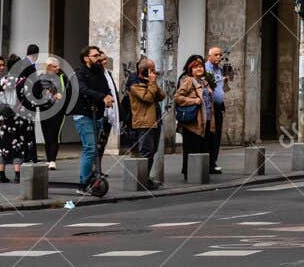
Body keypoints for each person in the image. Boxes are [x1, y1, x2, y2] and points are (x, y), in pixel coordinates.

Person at [71, 45, 113, 195]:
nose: (99, 58)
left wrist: (108, 97)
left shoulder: (100, 71)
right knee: (90, 148)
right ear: (86, 58)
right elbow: (83, 90)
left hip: (98, 114)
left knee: (95, 149)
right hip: (83, 115)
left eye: (99, 56)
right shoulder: (79, 73)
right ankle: (83, 184)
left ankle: (92, 180)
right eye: (95, 56)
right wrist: (102, 97)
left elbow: (106, 89)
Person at [123, 58, 166, 186]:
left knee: (152, 151)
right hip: (144, 121)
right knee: (146, 151)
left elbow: (162, 95)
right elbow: (147, 98)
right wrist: (152, 83)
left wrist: (153, 83)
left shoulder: (149, 82)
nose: (154, 72)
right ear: (144, 71)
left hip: (154, 120)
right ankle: (141, 180)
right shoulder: (134, 84)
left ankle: (145, 179)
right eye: (152, 70)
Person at [173, 55, 214, 179]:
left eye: (201, 66)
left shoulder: (205, 82)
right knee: (192, 148)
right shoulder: (188, 80)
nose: (199, 69)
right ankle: (190, 173)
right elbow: (177, 97)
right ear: (190, 69)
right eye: (195, 67)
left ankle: (199, 173)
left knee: (203, 147)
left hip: (205, 120)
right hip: (192, 122)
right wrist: (193, 101)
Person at [27, 57, 70, 170]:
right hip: (44, 111)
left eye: (58, 66)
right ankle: (48, 160)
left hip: (57, 111)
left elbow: (68, 92)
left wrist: (61, 96)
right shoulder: (40, 78)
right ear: (48, 67)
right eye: (55, 66)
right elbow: (35, 94)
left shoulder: (62, 77)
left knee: (54, 135)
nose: (58, 68)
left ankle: (52, 160)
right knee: (46, 135)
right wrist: (42, 97)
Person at [205, 45, 229, 175]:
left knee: (217, 135)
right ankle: (209, 163)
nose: (219, 57)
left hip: (218, 106)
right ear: (209, 56)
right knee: (211, 135)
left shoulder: (219, 70)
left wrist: (225, 82)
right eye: (216, 55)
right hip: (209, 107)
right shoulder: (206, 69)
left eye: (220, 55)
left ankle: (213, 161)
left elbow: (222, 89)